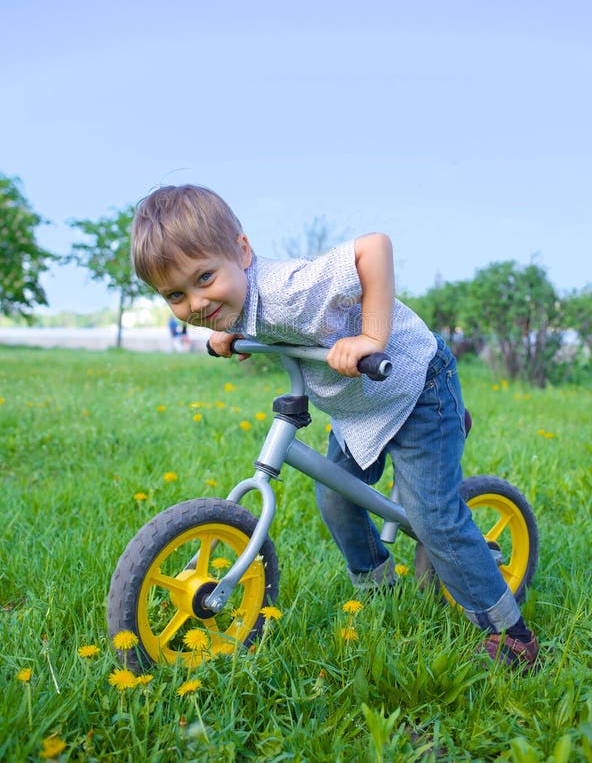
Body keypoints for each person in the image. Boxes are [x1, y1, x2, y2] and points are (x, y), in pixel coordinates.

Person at [131, 184, 539, 673]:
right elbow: (253, 314)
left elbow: (375, 248)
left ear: (242, 251)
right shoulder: (241, 302)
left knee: (433, 518)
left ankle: (510, 635)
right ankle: (380, 590)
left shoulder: (289, 289)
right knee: (335, 497)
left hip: (414, 386)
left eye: (204, 278)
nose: (196, 303)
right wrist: (231, 333)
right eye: (177, 295)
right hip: (360, 407)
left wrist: (371, 337)